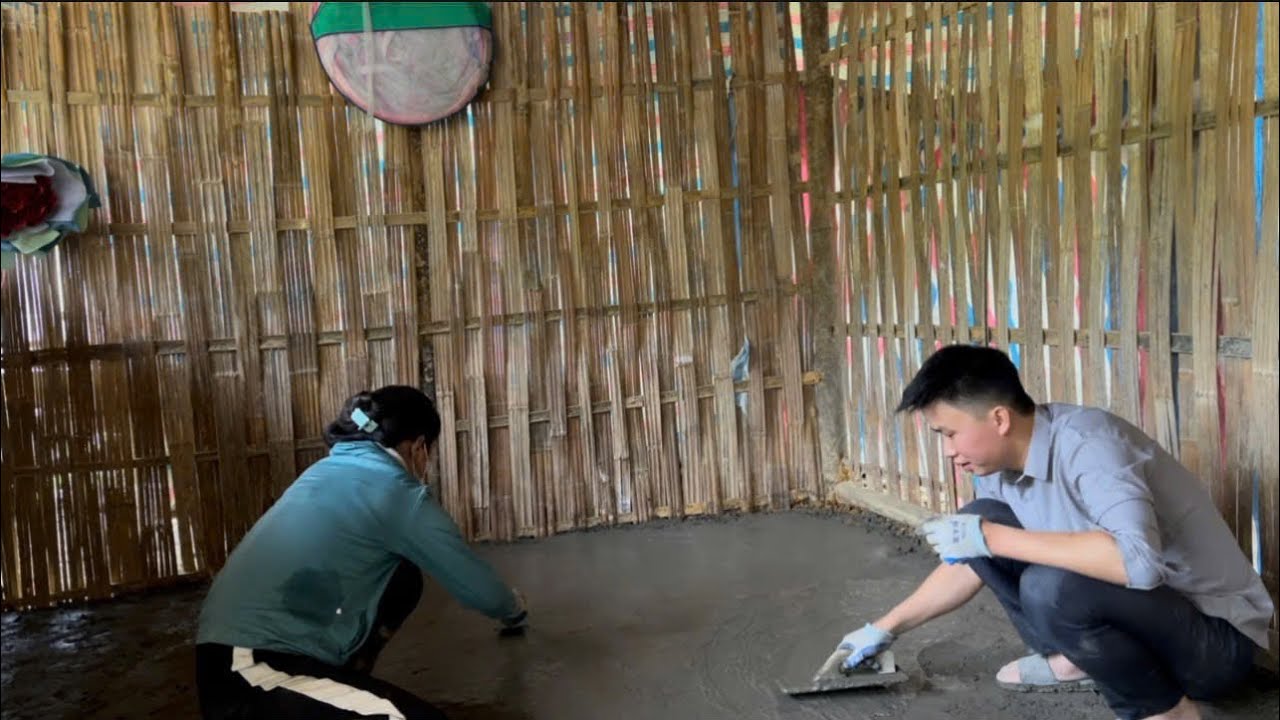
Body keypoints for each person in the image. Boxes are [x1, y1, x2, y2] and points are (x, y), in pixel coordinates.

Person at [829, 345, 1273, 720]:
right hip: (1149, 623)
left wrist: (991, 537)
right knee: (984, 516)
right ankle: (1078, 660)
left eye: (950, 434)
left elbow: (1137, 563)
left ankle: (1168, 711)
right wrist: (884, 629)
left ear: (999, 419)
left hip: (1214, 646)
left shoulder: (1090, 446)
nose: (948, 451)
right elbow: (972, 559)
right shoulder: (999, 468)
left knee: (1045, 582)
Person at [195, 385, 527, 719]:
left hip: (236, 659)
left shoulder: (320, 473)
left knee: (402, 578)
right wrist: (514, 611)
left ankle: (341, 684)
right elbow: (477, 586)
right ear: (420, 447)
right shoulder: (399, 494)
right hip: (255, 674)